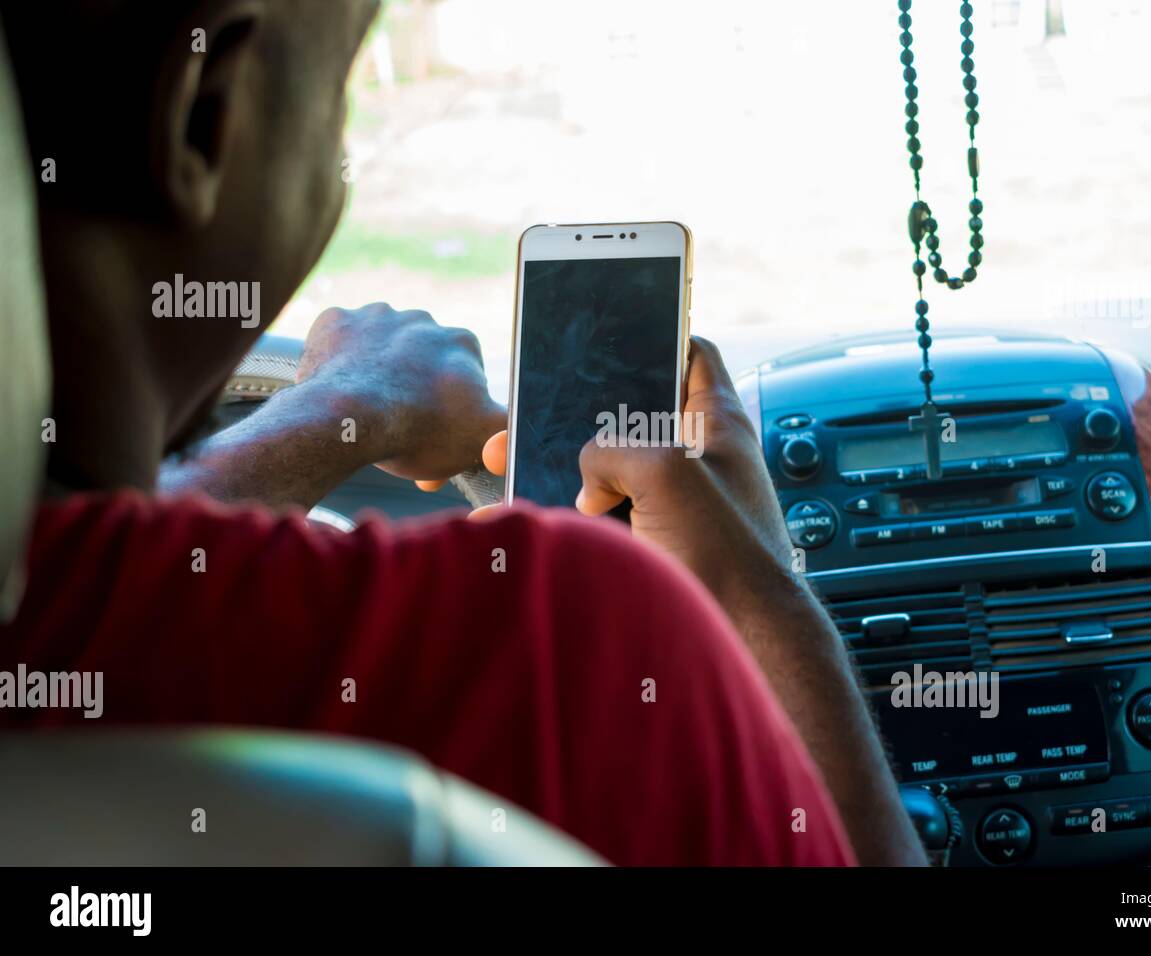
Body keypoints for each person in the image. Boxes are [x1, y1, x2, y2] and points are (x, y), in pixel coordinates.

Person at [0, 0, 923, 866]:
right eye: (341, 85)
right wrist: (762, 595)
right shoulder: (563, 630)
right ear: (205, 114)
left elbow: (88, 581)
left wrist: (334, 416)